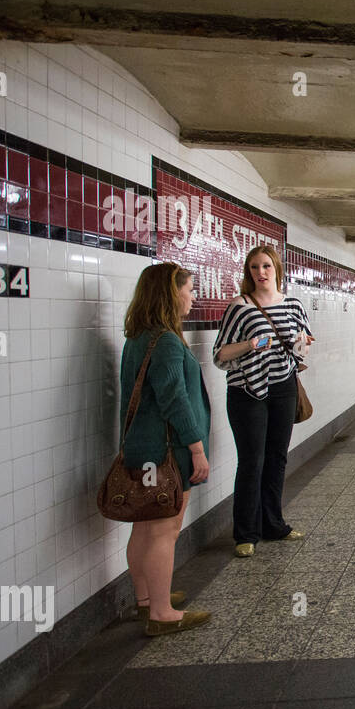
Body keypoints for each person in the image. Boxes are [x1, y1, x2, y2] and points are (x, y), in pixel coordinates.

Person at [119, 262, 211, 635]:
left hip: (141, 450)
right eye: (189, 289)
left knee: (144, 528)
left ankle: (146, 600)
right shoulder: (168, 342)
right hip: (167, 450)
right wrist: (197, 447)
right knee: (164, 531)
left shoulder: (138, 337)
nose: (193, 296)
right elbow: (175, 401)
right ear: (171, 293)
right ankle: (161, 613)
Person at [212, 244, 314, 558]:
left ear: (277, 270)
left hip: (283, 388)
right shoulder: (239, 307)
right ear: (248, 272)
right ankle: (245, 533)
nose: (261, 273)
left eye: (266, 266)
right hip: (247, 391)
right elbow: (220, 355)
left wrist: (301, 345)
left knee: (277, 458)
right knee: (251, 460)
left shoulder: (294, 305)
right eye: (255, 267)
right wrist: (249, 344)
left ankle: (273, 523)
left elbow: (304, 346)